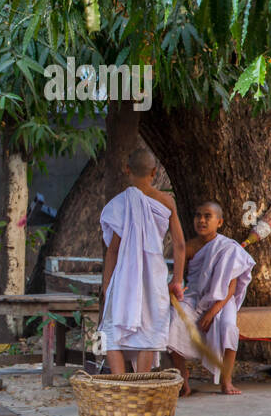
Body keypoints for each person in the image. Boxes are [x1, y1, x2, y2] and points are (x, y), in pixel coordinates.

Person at [99, 148, 185, 374]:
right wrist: (177, 280)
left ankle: (119, 386)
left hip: (124, 278)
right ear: (154, 172)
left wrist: (107, 285)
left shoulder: (121, 204)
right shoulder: (166, 201)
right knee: (149, 331)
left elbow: (113, 251)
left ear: (127, 170)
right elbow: (179, 245)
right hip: (154, 278)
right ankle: (141, 384)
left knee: (113, 331)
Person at [168, 201, 255, 395]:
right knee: (173, 320)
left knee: (228, 328)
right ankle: (183, 380)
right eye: (198, 215)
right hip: (194, 297)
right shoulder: (188, 247)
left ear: (219, 222)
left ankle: (226, 380)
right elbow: (179, 279)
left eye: (207, 216)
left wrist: (213, 311)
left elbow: (231, 288)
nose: (201, 220)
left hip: (223, 301)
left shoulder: (228, 248)